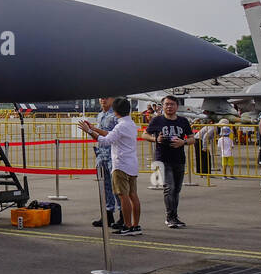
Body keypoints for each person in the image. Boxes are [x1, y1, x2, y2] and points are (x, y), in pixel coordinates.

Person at [79, 97, 141, 235]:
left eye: (106, 98)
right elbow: (110, 134)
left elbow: (107, 140)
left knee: (122, 194)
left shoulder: (118, 123)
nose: (103, 100)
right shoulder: (129, 123)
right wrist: (94, 128)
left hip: (118, 162)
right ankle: (130, 223)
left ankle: (125, 222)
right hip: (124, 161)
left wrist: (89, 132)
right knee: (122, 192)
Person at [143, 95, 194, 228]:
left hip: (179, 159)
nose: (169, 107)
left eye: (172, 104)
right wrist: (156, 140)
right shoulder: (157, 120)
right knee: (169, 187)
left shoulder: (183, 121)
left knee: (176, 190)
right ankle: (170, 217)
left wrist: (183, 142)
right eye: (167, 104)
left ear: (177, 106)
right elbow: (144, 134)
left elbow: (192, 138)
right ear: (162, 106)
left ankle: (174, 216)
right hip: (162, 159)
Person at [88, 97, 119, 228]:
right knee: (104, 187)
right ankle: (108, 214)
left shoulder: (116, 116)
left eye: (106, 98)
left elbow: (115, 135)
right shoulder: (100, 115)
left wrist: (92, 130)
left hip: (113, 155)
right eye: (101, 98)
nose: (103, 100)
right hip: (101, 154)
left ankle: (123, 215)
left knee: (117, 187)